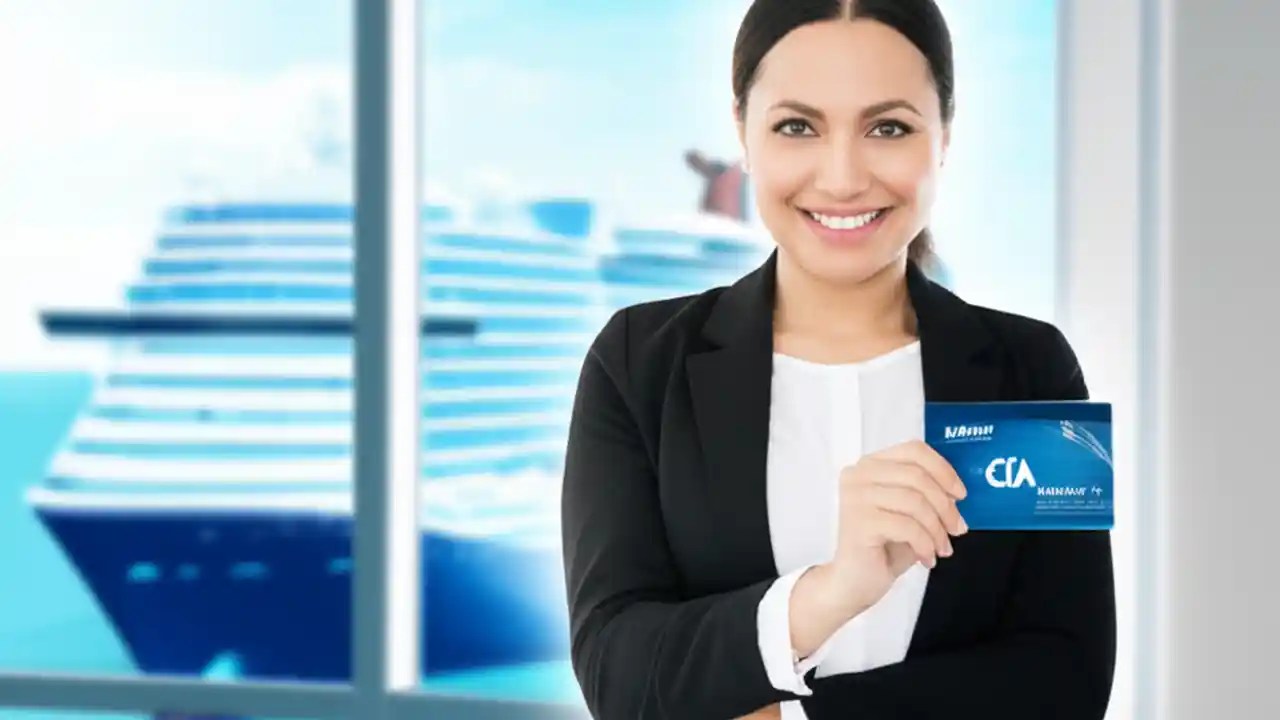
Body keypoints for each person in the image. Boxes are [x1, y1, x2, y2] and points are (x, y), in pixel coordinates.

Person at [560, 0, 1117, 717]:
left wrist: (794, 718)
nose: (844, 177)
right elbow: (618, 671)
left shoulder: (1031, 370)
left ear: (943, 135)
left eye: (888, 127)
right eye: (798, 127)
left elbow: (1065, 678)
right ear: (743, 132)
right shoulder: (639, 365)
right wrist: (830, 591)